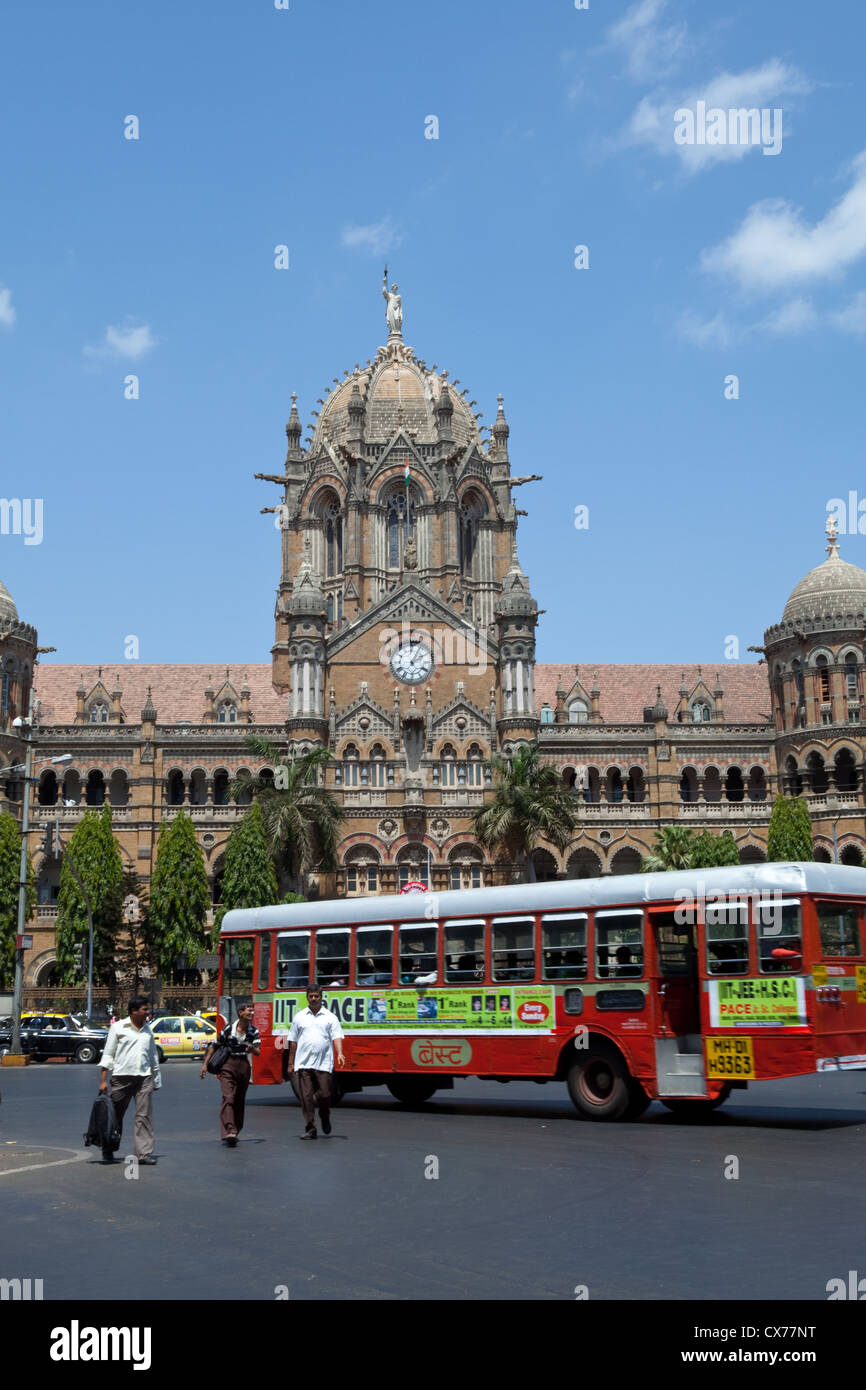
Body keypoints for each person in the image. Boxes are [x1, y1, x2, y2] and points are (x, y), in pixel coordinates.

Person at [98, 995, 161, 1166]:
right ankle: (108, 1148)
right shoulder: (118, 1028)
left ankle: (143, 1154)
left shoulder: (148, 1029)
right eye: (145, 1010)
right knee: (115, 1115)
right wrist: (103, 1080)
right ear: (134, 1011)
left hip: (144, 1078)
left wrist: (156, 1079)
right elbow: (108, 1054)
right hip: (121, 1077)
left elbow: (153, 1055)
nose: (148, 1013)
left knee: (144, 1116)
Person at [287, 988, 345, 1139]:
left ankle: (324, 1116)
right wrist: (290, 1062)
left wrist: (340, 1053)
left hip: (323, 1063)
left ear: (321, 998)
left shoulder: (330, 1017)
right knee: (305, 1097)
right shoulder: (299, 1017)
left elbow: (337, 1036)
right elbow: (292, 1041)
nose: (313, 999)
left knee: (325, 1094)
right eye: (311, 996)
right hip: (303, 1063)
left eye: (316, 996)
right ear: (307, 998)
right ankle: (310, 1128)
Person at [200, 1002, 260, 1146]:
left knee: (239, 1099)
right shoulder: (228, 1029)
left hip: (244, 1066)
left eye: (253, 1011)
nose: (252, 1014)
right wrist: (204, 1064)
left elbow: (258, 1051)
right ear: (240, 1013)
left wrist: (252, 1049)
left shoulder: (254, 1031)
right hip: (228, 1065)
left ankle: (235, 1131)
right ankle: (229, 1130)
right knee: (228, 1097)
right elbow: (215, 1046)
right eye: (249, 1011)